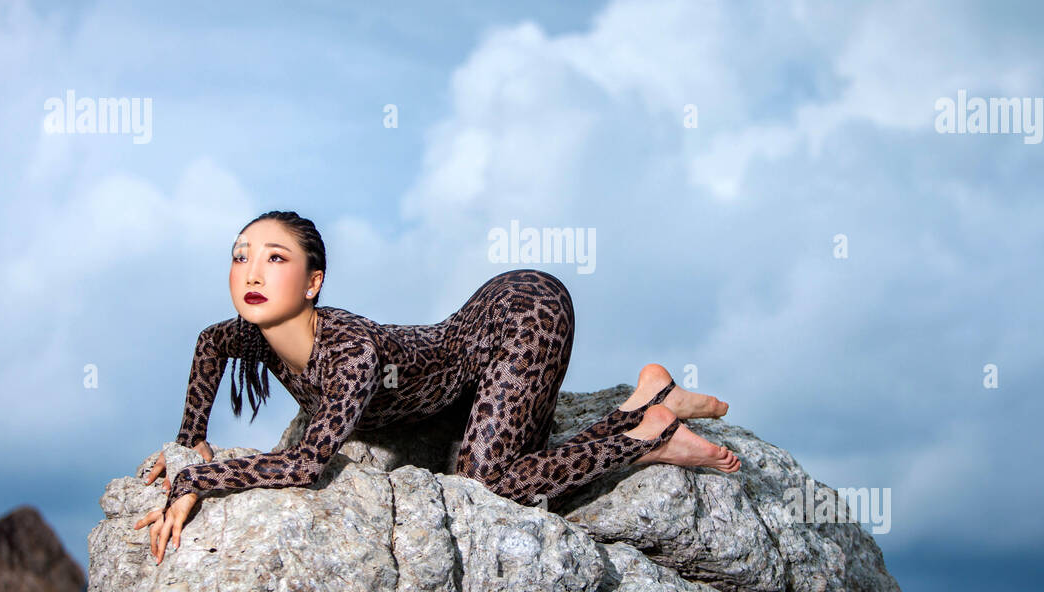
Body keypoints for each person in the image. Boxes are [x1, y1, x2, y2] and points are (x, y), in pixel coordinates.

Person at [136, 211, 736, 563]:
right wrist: (191, 441)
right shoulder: (246, 336)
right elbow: (209, 346)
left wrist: (196, 480)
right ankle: (649, 395)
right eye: (241, 257)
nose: (252, 272)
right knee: (486, 461)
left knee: (487, 480)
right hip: (472, 328)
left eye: (274, 258)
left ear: (313, 281)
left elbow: (304, 466)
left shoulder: (351, 352)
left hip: (523, 316)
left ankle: (648, 429)